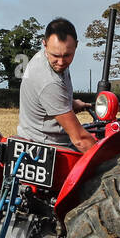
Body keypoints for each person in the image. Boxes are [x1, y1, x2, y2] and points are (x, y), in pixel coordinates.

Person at [17, 17, 96, 151]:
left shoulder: (46, 57)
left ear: (76, 45)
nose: (60, 62)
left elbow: (48, 101)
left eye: (67, 55)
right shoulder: (48, 81)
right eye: (56, 56)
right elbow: (80, 141)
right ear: (44, 44)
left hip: (36, 136)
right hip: (47, 147)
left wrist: (71, 103)